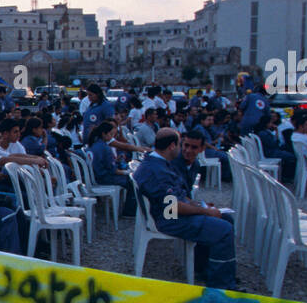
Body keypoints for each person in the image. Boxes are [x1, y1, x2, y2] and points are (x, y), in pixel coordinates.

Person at [134, 129, 239, 289]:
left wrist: (199, 205)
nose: (183, 150)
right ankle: (222, 286)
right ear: (172, 146)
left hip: (169, 214)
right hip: (168, 219)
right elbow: (173, 207)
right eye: (181, 145)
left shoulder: (157, 163)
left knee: (224, 219)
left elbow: (178, 196)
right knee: (223, 229)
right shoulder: (158, 170)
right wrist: (205, 211)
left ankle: (208, 270)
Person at [87, 121, 137, 216]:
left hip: (97, 175)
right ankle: (129, 211)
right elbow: (113, 170)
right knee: (132, 182)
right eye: (111, 134)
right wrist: (128, 172)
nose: (112, 137)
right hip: (104, 177)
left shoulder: (94, 144)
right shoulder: (105, 147)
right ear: (104, 134)